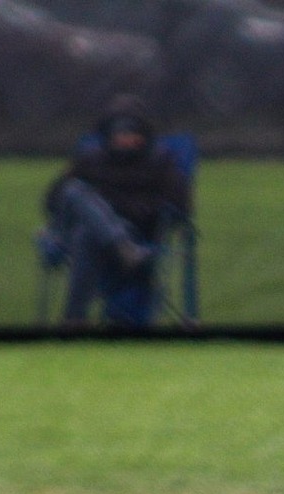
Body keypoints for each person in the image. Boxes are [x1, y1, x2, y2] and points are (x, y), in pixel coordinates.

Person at [39, 95, 191, 327]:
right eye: (120, 133)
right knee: (75, 192)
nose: (126, 139)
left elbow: (180, 205)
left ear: (143, 135)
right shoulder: (90, 159)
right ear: (109, 134)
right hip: (117, 243)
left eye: (132, 133)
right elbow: (52, 200)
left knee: (85, 234)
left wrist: (134, 208)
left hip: (136, 232)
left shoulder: (162, 162)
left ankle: (74, 319)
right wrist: (94, 206)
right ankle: (121, 247)